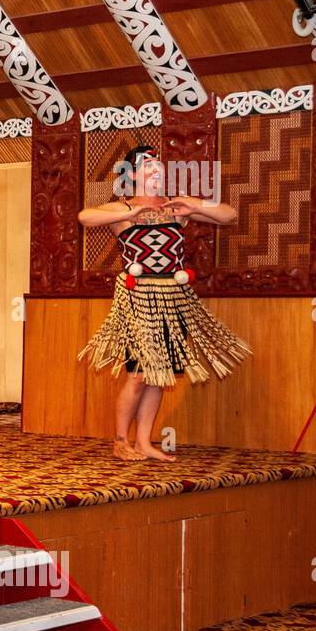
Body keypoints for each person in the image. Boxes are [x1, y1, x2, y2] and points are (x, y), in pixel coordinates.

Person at [78, 145, 249, 461]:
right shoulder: (122, 208)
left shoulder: (175, 208)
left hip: (173, 297)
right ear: (132, 174)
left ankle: (143, 442)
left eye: (159, 164)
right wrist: (128, 214)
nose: (155, 169)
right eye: (147, 165)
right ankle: (120, 441)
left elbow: (229, 214)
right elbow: (84, 217)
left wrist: (193, 204)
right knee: (139, 373)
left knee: (160, 374)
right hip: (138, 299)